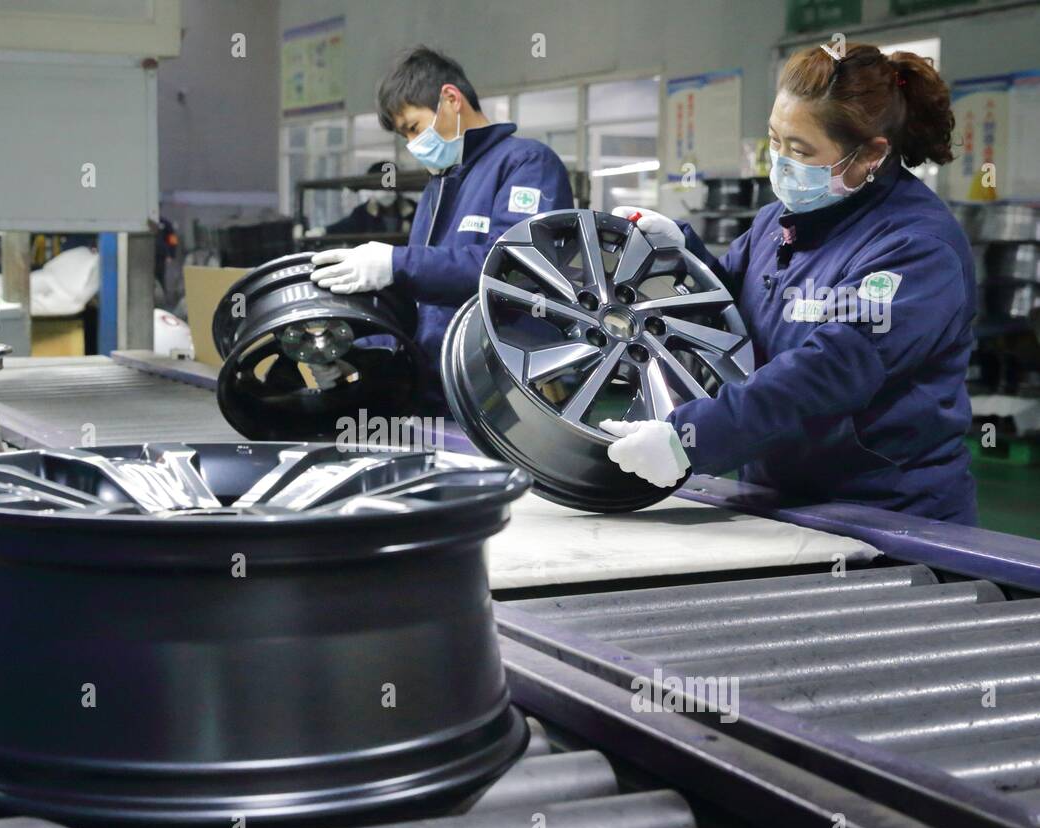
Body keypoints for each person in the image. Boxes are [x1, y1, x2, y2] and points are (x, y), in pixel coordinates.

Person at [607, 44, 976, 524]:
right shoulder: (777, 222)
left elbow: (832, 368)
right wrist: (681, 253)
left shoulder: (917, 247)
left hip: (889, 514)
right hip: (774, 497)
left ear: (870, 156)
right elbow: (727, 305)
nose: (780, 162)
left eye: (800, 150)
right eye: (775, 141)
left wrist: (693, 437)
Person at [310, 46, 573, 406]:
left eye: (414, 128)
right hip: (439, 385)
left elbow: (513, 270)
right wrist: (352, 352)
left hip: (505, 391)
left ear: (451, 98)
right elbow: (420, 307)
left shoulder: (526, 164)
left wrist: (395, 263)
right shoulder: (440, 186)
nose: (413, 145)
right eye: (405, 136)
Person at [321, 161, 417, 236]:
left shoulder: (414, 210)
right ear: (372, 188)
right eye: (380, 187)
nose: (386, 191)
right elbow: (343, 227)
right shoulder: (362, 213)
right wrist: (323, 231)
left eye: (390, 186)